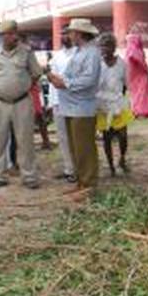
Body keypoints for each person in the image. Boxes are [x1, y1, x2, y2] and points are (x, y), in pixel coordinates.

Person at [0, 20, 43, 189]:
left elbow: (36, 73)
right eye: (8, 34)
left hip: (22, 102)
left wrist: (23, 85)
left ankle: (29, 176)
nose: (12, 37)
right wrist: (3, 88)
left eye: (14, 33)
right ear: (1, 36)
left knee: (25, 140)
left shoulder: (26, 52)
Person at [48, 18, 101, 200]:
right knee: (75, 148)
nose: (69, 35)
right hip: (71, 106)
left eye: (71, 32)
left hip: (82, 107)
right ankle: (81, 182)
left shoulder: (92, 53)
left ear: (78, 33)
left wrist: (65, 83)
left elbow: (89, 80)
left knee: (84, 147)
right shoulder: (79, 52)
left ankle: (89, 184)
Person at [96, 33, 133, 176]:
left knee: (123, 135)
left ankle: (122, 159)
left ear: (113, 47)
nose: (104, 49)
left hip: (118, 102)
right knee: (107, 137)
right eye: (101, 46)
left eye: (107, 46)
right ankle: (111, 166)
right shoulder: (98, 65)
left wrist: (121, 101)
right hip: (102, 105)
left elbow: (125, 84)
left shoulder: (122, 64)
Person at [47, 33, 76, 182]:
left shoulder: (80, 54)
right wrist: (51, 102)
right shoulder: (56, 56)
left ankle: (79, 169)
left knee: (76, 137)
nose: (65, 37)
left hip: (75, 101)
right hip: (58, 101)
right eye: (62, 34)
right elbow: (51, 80)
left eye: (68, 33)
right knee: (63, 137)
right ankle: (69, 169)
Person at [125, 33, 148, 118]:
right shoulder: (134, 49)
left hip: (133, 75)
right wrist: (145, 69)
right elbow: (137, 59)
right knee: (141, 93)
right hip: (140, 74)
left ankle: (135, 110)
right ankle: (141, 112)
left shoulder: (129, 49)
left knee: (135, 93)